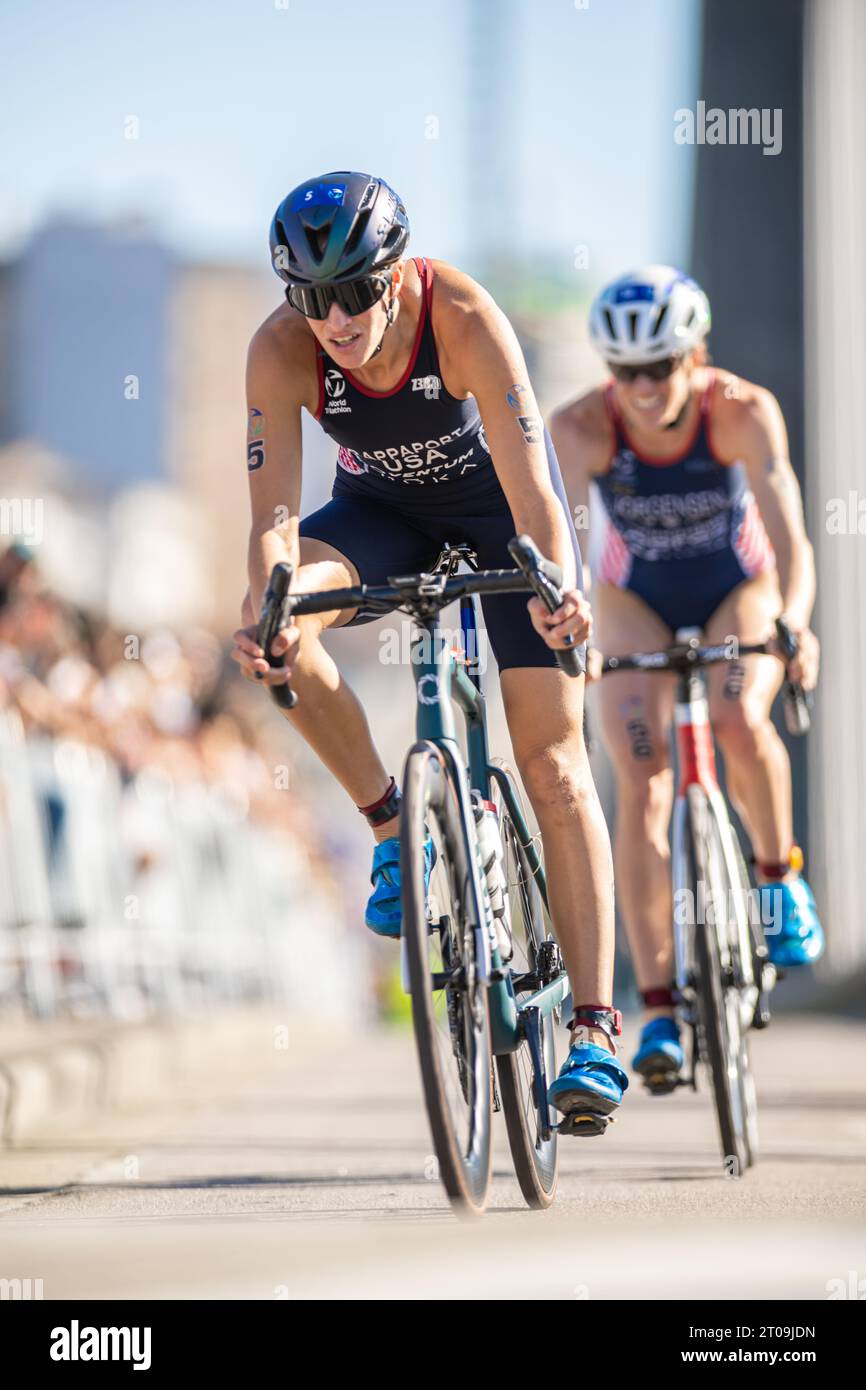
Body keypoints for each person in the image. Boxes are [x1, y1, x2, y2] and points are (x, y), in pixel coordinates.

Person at [231, 171, 628, 1126]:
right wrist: (267, 604)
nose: (336, 318)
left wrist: (561, 588)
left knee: (555, 766)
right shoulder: (282, 350)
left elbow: (533, 479)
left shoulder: (462, 315)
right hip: (377, 517)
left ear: (400, 273)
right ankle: (388, 829)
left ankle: (594, 1027)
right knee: (285, 633)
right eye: (313, 297)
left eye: (357, 290)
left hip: (499, 518)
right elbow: (277, 518)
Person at [551, 265, 823, 1093]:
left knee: (741, 722)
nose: (642, 388)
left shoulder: (740, 410)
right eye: (625, 371)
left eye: (661, 368)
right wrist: (573, 628)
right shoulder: (581, 427)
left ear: (695, 355)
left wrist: (796, 622)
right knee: (643, 780)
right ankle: (662, 1004)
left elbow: (791, 539)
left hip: (737, 588)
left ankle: (780, 879)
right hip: (634, 598)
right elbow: (563, 540)